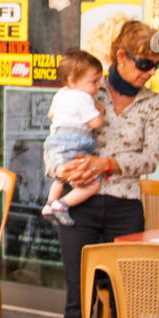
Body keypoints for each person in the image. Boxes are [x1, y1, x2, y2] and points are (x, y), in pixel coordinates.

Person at [52, 20, 159, 318]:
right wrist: (64, 171)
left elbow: (149, 159)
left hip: (124, 206)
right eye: (144, 63)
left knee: (126, 297)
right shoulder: (86, 85)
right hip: (79, 204)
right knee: (79, 295)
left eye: (156, 66)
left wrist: (107, 162)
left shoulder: (153, 104)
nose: (150, 72)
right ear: (120, 56)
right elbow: (56, 136)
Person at [41, 49, 105, 226]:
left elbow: (51, 115)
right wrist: (101, 110)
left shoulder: (60, 93)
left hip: (55, 140)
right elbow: (95, 123)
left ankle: (48, 203)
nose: (98, 86)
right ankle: (62, 204)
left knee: (60, 177)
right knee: (92, 184)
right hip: (75, 143)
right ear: (72, 80)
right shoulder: (84, 98)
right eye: (93, 82)